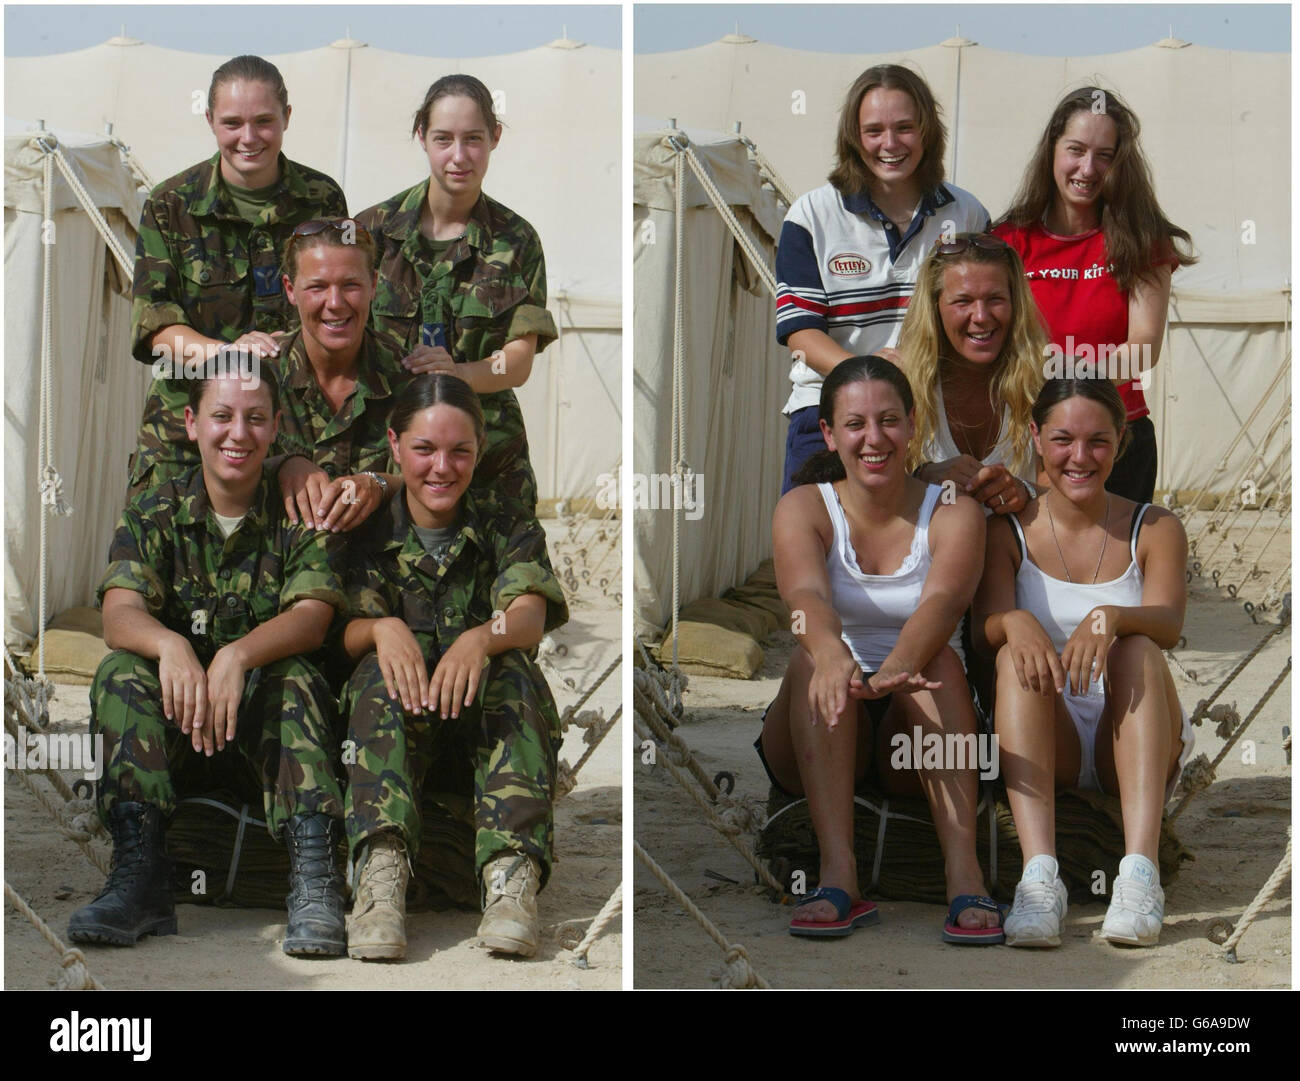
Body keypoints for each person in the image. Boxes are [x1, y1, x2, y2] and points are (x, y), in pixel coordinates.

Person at [69, 367, 352, 957]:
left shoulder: (297, 508)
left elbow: (312, 615)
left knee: (296, 679)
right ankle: (139, 877)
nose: (237, 433)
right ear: (193, 423)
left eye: (254, 418)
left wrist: (237, 654)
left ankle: (313, 881)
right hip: (176, 733)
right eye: (222, 416)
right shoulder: (156, 507)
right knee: (120, 674)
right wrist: (171, 646)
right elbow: (120, 614)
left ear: (276, 427)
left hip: (264, 742)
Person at [758, 355, 1005, 943]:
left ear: (913, 424)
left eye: (889, 420)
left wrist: (895, 669)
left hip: (909, 710)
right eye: (855, 424)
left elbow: (942, 603)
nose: (874, 438)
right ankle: (839, 874)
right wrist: (832, 651)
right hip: (825, 710)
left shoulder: (952, 509)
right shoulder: (804, 506)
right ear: (828, 433)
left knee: (938, 662)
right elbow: (803, 598)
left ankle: (962, 872)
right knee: (810, 658)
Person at [337, 373, 568, 961]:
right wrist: (380, 628)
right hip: (392, 738)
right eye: (425, 450)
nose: (442, 468)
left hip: (477, 734)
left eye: (460, 451)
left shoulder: (502, 520)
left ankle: (510, 881)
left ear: (480, 449)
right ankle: (380, 877)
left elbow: (529, 613)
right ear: (394, 447)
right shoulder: (366, 528)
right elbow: (333, 629)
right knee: (373, 673)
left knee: (513, 673)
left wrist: (480, 638)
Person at [973, 378, 1194, 948]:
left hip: (1136, 727)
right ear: (1036, 440)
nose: (1079, 457)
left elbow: (1168, 622)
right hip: (1057, 735)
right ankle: (1040, 878)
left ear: (1121, 442)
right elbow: (983, 627)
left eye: (1098, 441)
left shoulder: (1155, 524)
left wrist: (1112, 617)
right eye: (1063, 439)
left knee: (1138, 647)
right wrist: (1014, 622)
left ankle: (1139, 874)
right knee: (1014, 659)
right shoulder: (1009, 531)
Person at [127, 54, 347, 500]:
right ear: (209, 120)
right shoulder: (171, 205)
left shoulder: (322, 199)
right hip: (185, 426)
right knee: (152, 557)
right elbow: (155, 329)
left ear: (287, 117)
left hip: (289, 424)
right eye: (232, 123)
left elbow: (335, 311)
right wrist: (229, 355)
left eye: (264, 121)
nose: (248, 138)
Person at [775, 64, 991, 493]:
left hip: (933, 421)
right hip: (830, 413)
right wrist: (870, 376)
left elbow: (985, 319)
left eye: (905, 128)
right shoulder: (811, 215)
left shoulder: (968, 215)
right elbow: (800, 334)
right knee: (815, 549)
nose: (890, 144)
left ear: (927, 132)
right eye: (874, 130)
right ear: (853, 138)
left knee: (935, 554)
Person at [356, 74, 557, 518]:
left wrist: (458, 373)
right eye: (443, 139)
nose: (459, 156)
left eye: (474, 139)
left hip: (488, 456)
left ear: (495, 138)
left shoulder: (517, 241)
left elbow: (518, 362)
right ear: (421, 136)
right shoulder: (370, 232)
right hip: (386, 449)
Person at [993, 86, 1196, 503]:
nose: (1088, 168)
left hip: (1116, 441)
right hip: (1029, 439)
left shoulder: (1143, 239)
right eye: (1076, 150)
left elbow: (1143, 349)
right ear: (1052, 149)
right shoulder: (1008, 239)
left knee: (1114, 566)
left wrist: (1070, 387)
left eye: (1105, 155)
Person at [268, 218, 412, 534]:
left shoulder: (410, 376)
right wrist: (279, 465)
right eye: (318, 287)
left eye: (350, 285)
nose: (335, 303)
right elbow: (212, 466)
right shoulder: (255, 375)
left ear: (374, 285)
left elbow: (439, 476)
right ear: (291, 290)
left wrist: (379, 484)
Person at [897, 233, 1045, 516]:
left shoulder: (1046, 381)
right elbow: (866, 497)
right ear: (934, 307)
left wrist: (1026, 492)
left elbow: (1075, 491)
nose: (981, 316)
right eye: (962, 301)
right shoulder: (899, 385)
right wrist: (921, 478)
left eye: (995, 299)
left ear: (1016, 304)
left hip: (1022, 557)